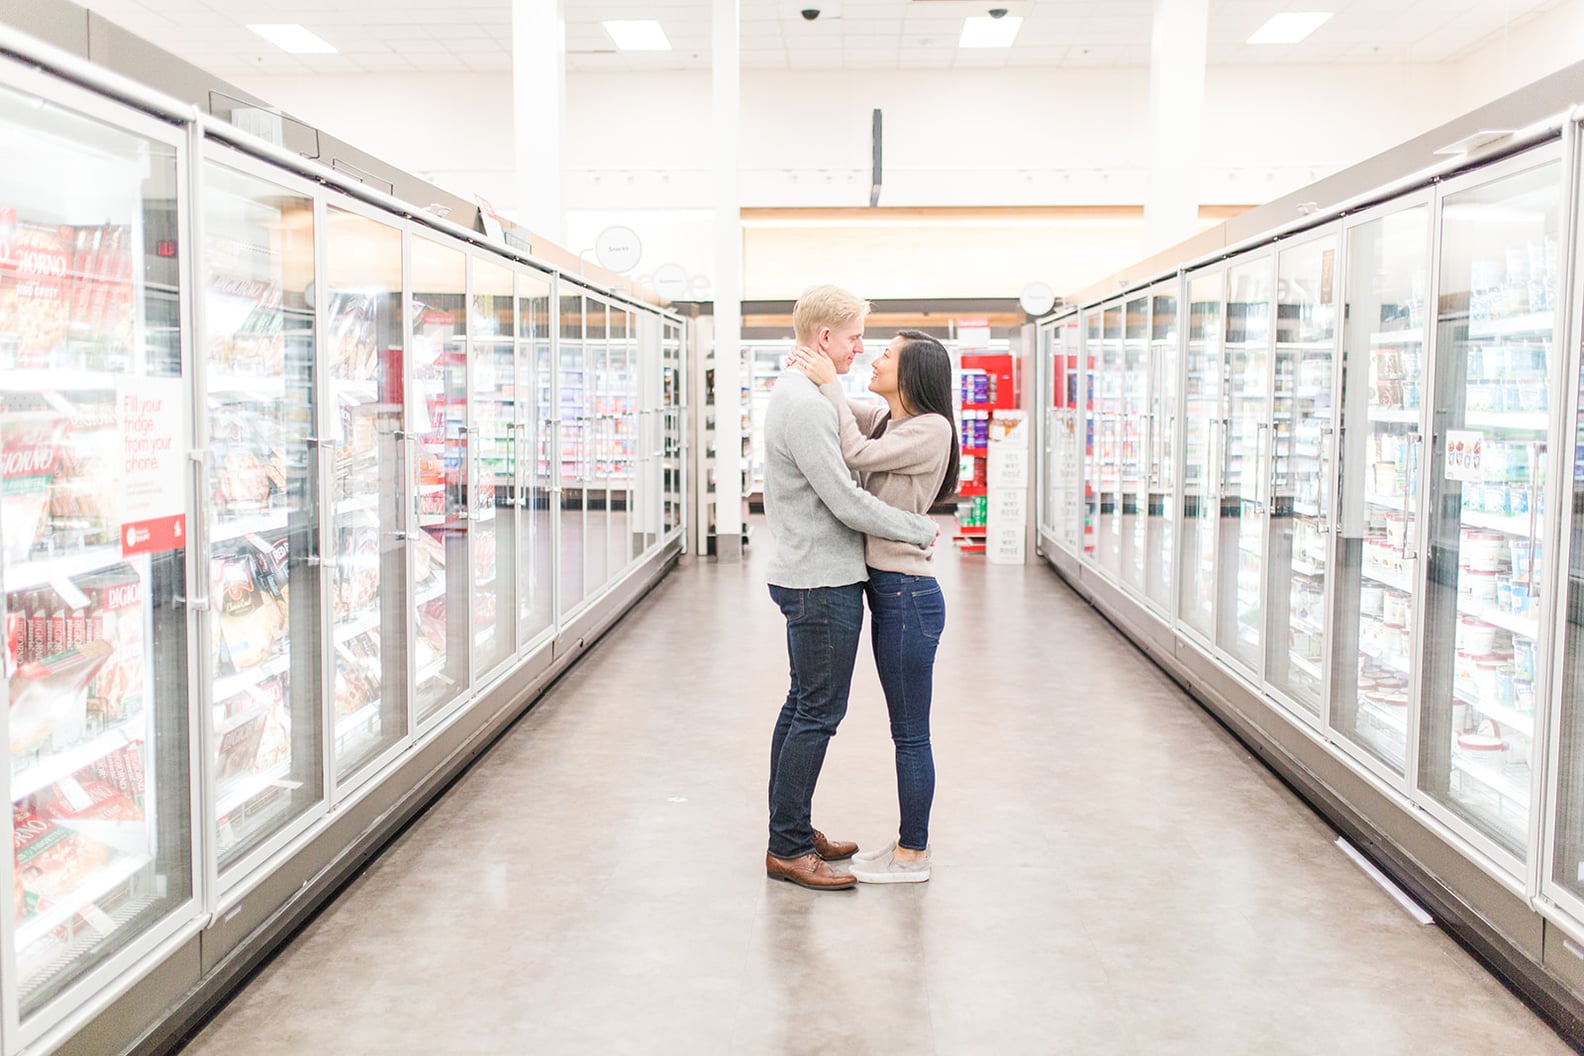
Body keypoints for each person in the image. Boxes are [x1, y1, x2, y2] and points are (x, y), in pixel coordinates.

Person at [763, 286, 939, 892]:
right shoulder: (808, 403)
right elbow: (844, 497)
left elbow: (861, 429)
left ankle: (791, 825)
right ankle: (787, 846)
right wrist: (916, 528)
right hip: (821, 579)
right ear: (825, 339)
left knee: (801, 707)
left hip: (816, 574)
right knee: (817, 711)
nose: (863, 349)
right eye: (858, 337)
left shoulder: (809, 394)